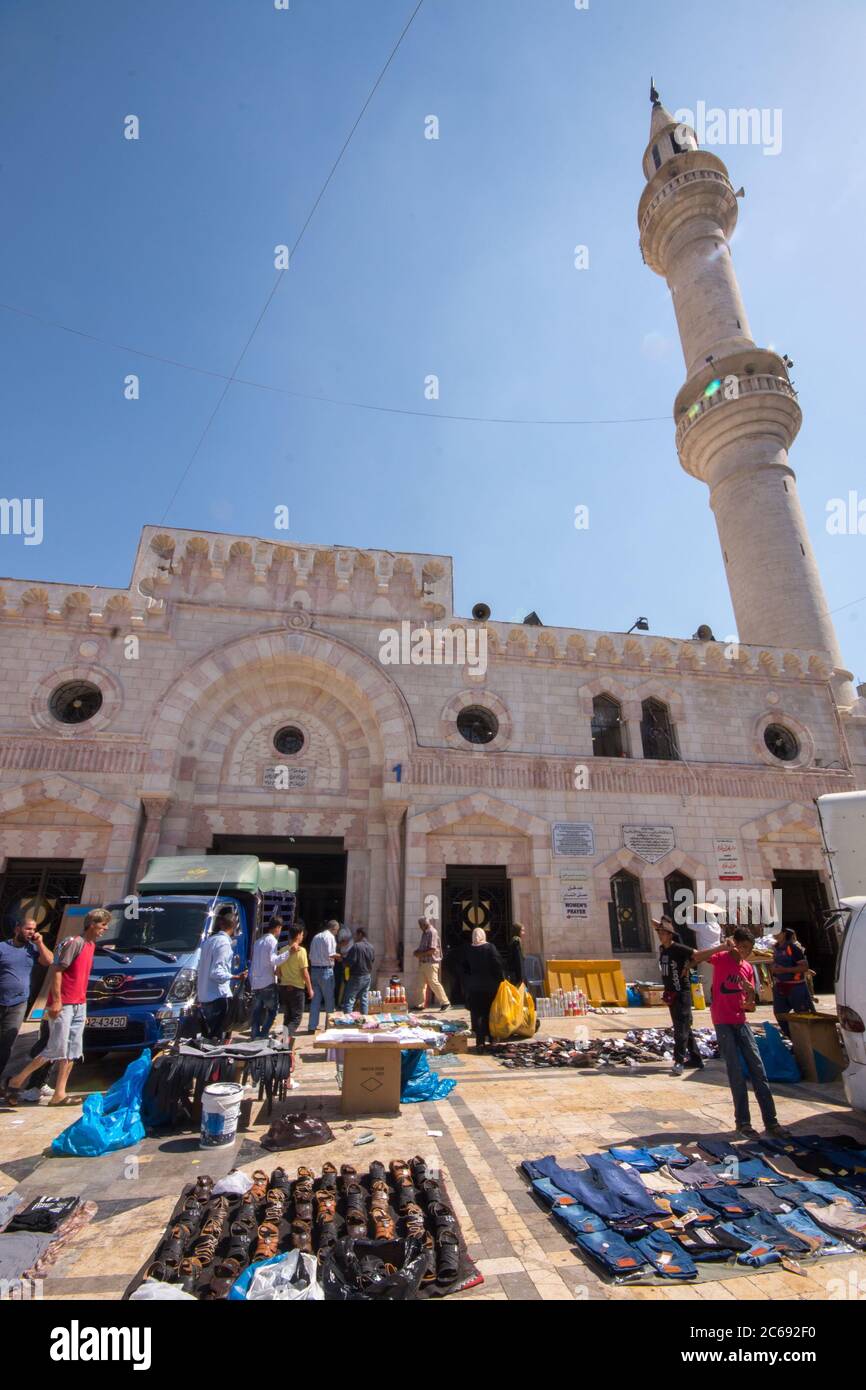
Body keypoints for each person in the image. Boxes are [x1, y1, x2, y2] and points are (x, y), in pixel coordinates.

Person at [7, 908, 111, 1106]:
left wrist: (84, 1004)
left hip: (79, 1004)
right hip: (64, 1004)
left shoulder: (90, 945)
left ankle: (60, 1094)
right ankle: (17, 1080)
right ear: (92, 924)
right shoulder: (75, 943)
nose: (105, 929)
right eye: (103, 925)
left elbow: (82, 979)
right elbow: (56, 970)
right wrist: (56, 1001)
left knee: (73, 1050)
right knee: (55, 1048)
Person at [692, 927, 789, 1139]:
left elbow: (751, 1005)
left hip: (741, 1021)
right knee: (735, 1072)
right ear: (734, 943)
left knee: (758, 1070)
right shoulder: (722, 958)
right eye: (741, 947)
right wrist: (721, 946)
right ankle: (743, 1123)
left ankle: (771, 1122)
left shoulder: (746, 968)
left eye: (748, 949)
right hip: (723, 1021)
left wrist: (749, 992)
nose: (744, 952)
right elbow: (696, 957)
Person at [0, 918, 54, 1099]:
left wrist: (40, 942)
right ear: (17, 929)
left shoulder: (32, 949)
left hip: (18, 1003)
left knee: (6, 1044)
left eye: (34, 929)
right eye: (28, 928)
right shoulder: (3, 948)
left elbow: (49, 961)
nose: (31, 932)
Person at [654, 916, 704, 1075]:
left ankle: (679, 1061)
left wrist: (688, 966)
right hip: (671, 993)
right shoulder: (664, 949)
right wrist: (660, 923)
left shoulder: (678, 948)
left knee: (680, 1029)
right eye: (659, 933)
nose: (660, 935)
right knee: (684, 1027)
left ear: (670, 935)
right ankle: (696, 1058)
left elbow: (698, 955)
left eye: (663, 933)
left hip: (682, 992)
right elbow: (654, 923)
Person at [197, 905, 245, 1041]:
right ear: (234, 926)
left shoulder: (208, 942)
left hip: (205, 996)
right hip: (217, 998)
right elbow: (216, 972)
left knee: (208, 1039)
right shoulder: (224, 944)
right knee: (217, 1039)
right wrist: (236, 976)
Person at [461, 927, 504, 1050]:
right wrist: (501, 979)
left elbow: (464, 967)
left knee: (477, 1014)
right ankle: (492, 1039)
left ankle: (480, 1042)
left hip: (474, 987)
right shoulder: (490, 948)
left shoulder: (469, 949)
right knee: (490, 1012)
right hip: (490, 986)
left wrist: (469, 980)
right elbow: (498, 964)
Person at [249, 918, 291, 1039]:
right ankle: (263, 1033)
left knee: (257, 1012)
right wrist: (288, 953)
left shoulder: (258, 941)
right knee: (273, 1010)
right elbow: (274, 961)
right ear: (278, 927)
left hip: (256, 982)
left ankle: (254, 1034)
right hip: (267, 981)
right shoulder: (272, 941)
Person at [771, 925, 815, 1037]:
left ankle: (811, 1040)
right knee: (780, 1014)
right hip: (781, 987)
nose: (774, 934)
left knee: (804, 1016)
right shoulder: (775, 948)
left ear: (784, 933)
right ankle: (794, 1038)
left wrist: (784, 970)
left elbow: (804, 967)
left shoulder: (793, 948)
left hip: (796, 988)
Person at [277, 924, 312, 1035]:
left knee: (287, 1017)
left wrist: (285, 979)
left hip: (284, 987)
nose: (302, 937)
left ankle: (284, 1045)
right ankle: (284, 1039)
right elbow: (304, 972)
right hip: (297, 989)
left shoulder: (282, 950)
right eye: (301, 934)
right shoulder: (301, 951)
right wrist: (310, 989)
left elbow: (278, 972)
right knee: (296, 1018)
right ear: (297, 936)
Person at [412, 917, 450, 1011]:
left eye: (420, 925)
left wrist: (420, 954)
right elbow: (423, 948)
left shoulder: (432, 932)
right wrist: (417, 952)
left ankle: (445, 1002)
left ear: (424, 924)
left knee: (434, 983)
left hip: (431, 962)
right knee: (420, 984)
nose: (420, 927)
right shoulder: (425, 933)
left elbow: (432, 950)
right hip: (424, 962)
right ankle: (420, 1004)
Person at [307, 919, 338, 1032]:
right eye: (337, 931)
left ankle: (312, 1026)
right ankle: (330, 1027)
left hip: (314, 970)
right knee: (329, 1000)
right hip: (326, 971)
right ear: (334, 929)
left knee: (315, 1000)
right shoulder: (329, 937)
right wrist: (341, 956)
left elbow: (310, 956)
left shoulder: (316, 937)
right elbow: (331, 954)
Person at [342, 928, 376, 1014]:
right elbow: (372, 960)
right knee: (364, 999)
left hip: (357, 976)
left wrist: (343, 960)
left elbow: (350, 962)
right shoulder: (371, 947)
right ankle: (364, 1020)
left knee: (349, 999)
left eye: (356, 935)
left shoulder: (356, 946)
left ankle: (347, 1021)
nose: (355, 937)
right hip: (367, 976)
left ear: (360, 934)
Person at [335, 921, 353, 1006]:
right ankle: (341, 1001)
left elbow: (345, 941)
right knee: (344, 981)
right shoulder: (345, 930)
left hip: (344, 960)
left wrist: (336, 947)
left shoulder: (343, 931)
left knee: (344, 981)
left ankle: (341, 1002)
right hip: (344, 959)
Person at [507, 923, 526, 987]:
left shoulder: (513, 940)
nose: (524, 933)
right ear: (518, 931)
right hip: (516, 976)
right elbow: (518, 960)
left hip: (513, 975)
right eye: (522, 931)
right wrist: (521, 978)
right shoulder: (516, 942)